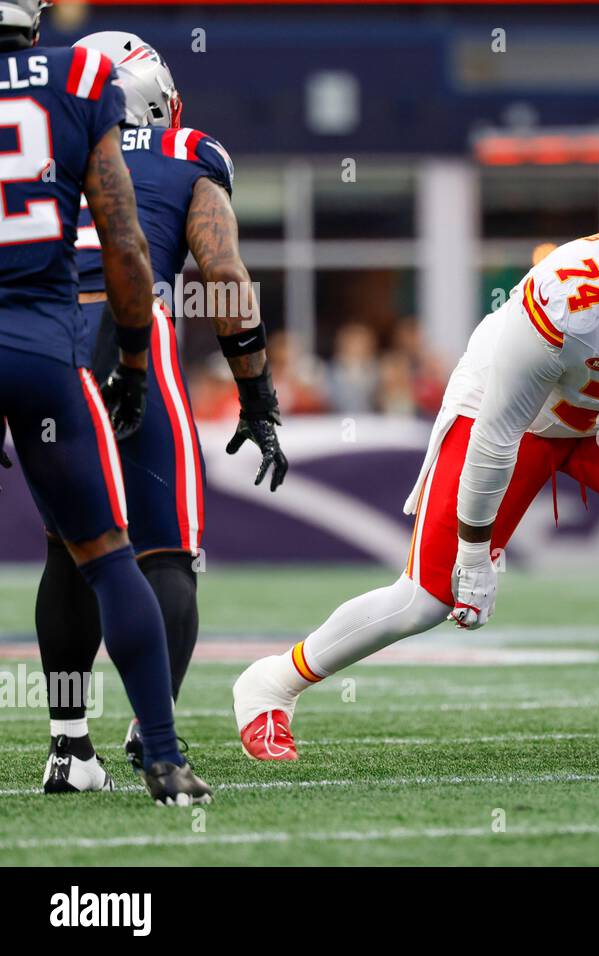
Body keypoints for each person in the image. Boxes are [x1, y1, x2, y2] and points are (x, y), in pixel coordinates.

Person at [233, 165, 599, 761]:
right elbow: (497, 435)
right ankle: (273, 683)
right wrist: (476, 554)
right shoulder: (569, 297)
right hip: (519, 418)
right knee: (427, 598)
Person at [32, 30, 288, 793]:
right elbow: (224, 273)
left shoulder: (42, 143)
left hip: (40, 338)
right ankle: (155, 736)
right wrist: (257, 395)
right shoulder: (187, 149)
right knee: (166, 554)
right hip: (129, 334)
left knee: (71, 552)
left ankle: (69, 750)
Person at [0, 1, 208, 804]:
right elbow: (124, 243)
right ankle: (161, 757)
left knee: (74, 555)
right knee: (107, 554)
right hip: (46, 344)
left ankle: (68, 747)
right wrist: (130, 354)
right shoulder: (78, 78)